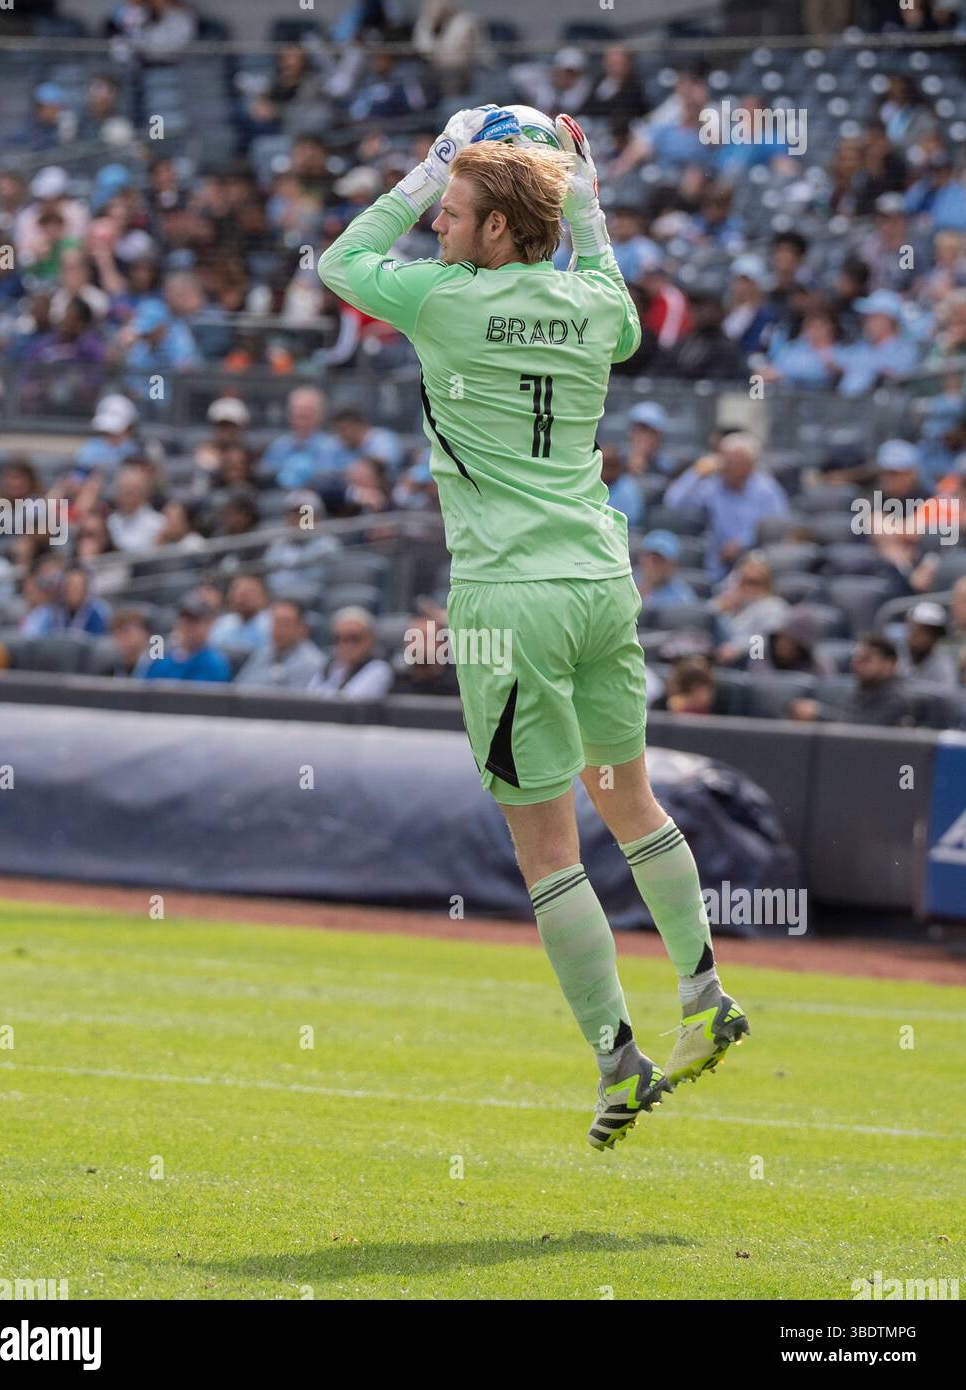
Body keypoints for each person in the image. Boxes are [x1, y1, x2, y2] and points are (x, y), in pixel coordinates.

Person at [318, 108, 750, 1151]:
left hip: (508, 597)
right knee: (629, 795)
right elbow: (628, 314)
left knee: (544, 845)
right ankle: (703, 989)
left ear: (500, 233)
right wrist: (587, 197)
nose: (438, 230)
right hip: (603, 580)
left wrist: (426, 165)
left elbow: (342, 260)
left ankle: (616, 1058)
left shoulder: (442, 303)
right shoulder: (593, 304)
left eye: (455, 216)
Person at [664, 432, 789, 579]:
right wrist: (696, 472)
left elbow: (778, 528)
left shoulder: (767, 490)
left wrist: (743, 543)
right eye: (725, 460)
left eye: (735, 462)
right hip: (718, 568)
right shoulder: (713, 487)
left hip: (757, 565)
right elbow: (672, 503)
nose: (728, 466)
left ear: (750, 464)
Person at [789, 634, 914, 726]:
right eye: (856, 658)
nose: (856, 665)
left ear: (889, 664)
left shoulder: (897, 698)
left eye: (866, 659)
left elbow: (863, 730)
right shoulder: (862, 689)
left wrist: (818, 714)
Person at [235, 599, 326, 690]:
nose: (280, 630)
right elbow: (239, 687)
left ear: (301, 628)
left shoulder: (314, 663)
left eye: (286, 624)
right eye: (276, 622)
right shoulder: (262, 653)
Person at [307, 605, 393, 699]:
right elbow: (309, 700)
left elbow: (349, 702)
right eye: (338, 639)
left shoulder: (379, 669)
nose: (346, 645)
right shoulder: (328, 666)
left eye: (354, 638)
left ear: (370, 639)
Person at [142, 593, 232, 683]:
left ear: (208, 624)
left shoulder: (213, 664)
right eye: (183, 619)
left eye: (194, 621)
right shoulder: (163, 659)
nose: (187, 626)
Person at [635, 531, 697, 611]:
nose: (650, 565)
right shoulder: (627, 582)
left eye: (657, 560)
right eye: (647, 557)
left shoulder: (683, 598)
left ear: (673, 565)